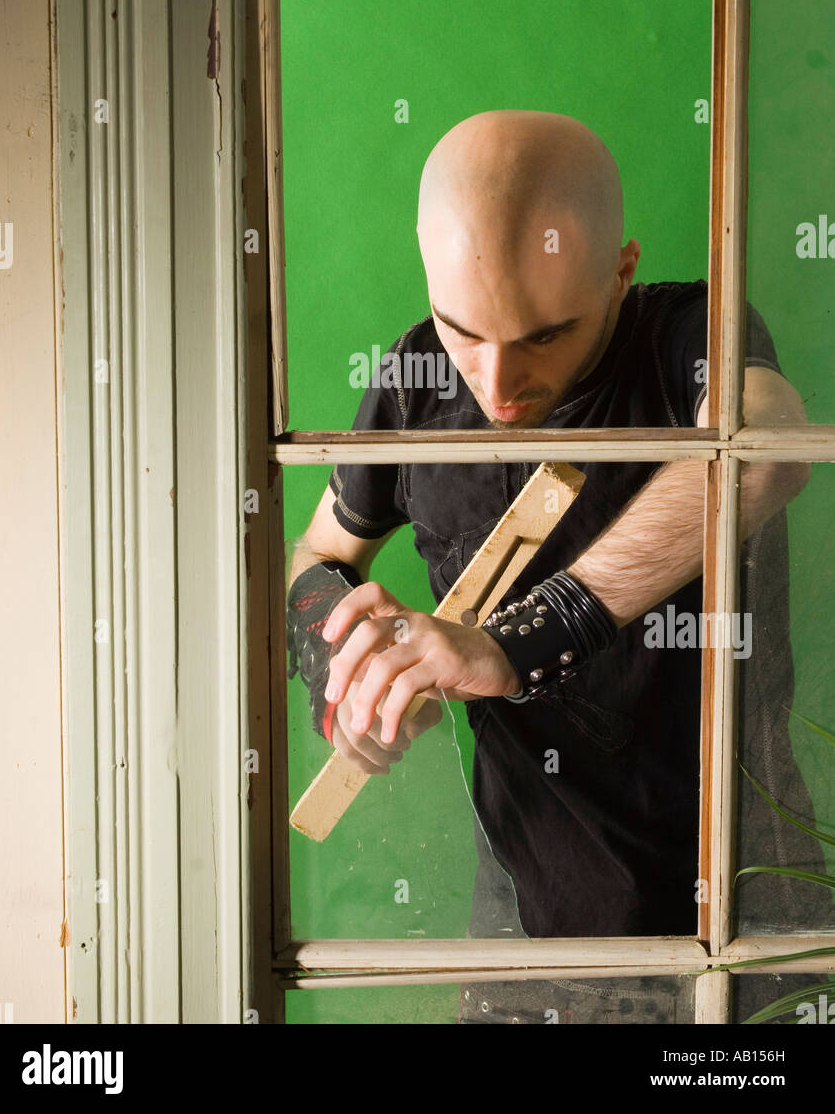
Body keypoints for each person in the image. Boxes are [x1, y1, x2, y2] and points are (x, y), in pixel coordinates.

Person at [287, 110, 832, 1024]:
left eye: (544, 336)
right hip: (523, 927)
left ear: (618, 268)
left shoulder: (684, 334)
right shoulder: (415, 377)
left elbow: (770, 449)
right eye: (462, 330)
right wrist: (343, 671)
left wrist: (513, 644)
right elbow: (320, 554)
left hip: (743, 911)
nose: (497, 386)